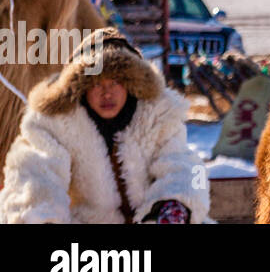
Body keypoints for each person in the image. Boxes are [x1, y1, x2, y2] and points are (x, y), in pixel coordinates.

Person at [0, 28, 210, 223]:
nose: (107, 93)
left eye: (115, 82)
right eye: (96, 83)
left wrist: (174, 206)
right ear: (80, 88)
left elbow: (187, 167)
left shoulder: (158, 116)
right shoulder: (54, 124)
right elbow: (34, 176)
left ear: (130, 84)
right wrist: (43, 218)